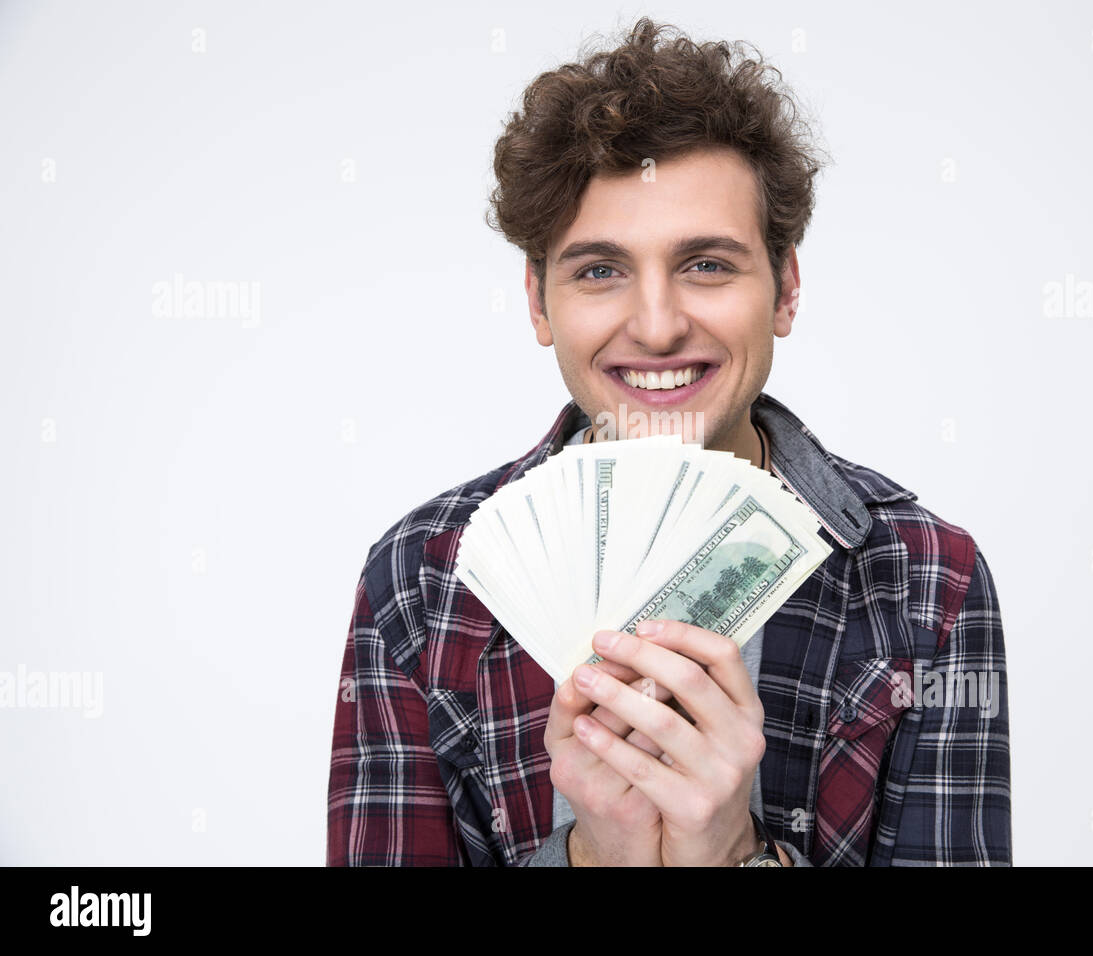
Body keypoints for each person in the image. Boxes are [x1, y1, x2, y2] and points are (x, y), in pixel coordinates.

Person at [326, 17, 1011, 866]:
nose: (656, 327)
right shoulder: (421, 582)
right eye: (600, 270)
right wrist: (595, 856)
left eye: (708, 265)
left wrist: (733, 854)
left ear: (786, 289)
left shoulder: (926, 581)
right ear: (540, 304)